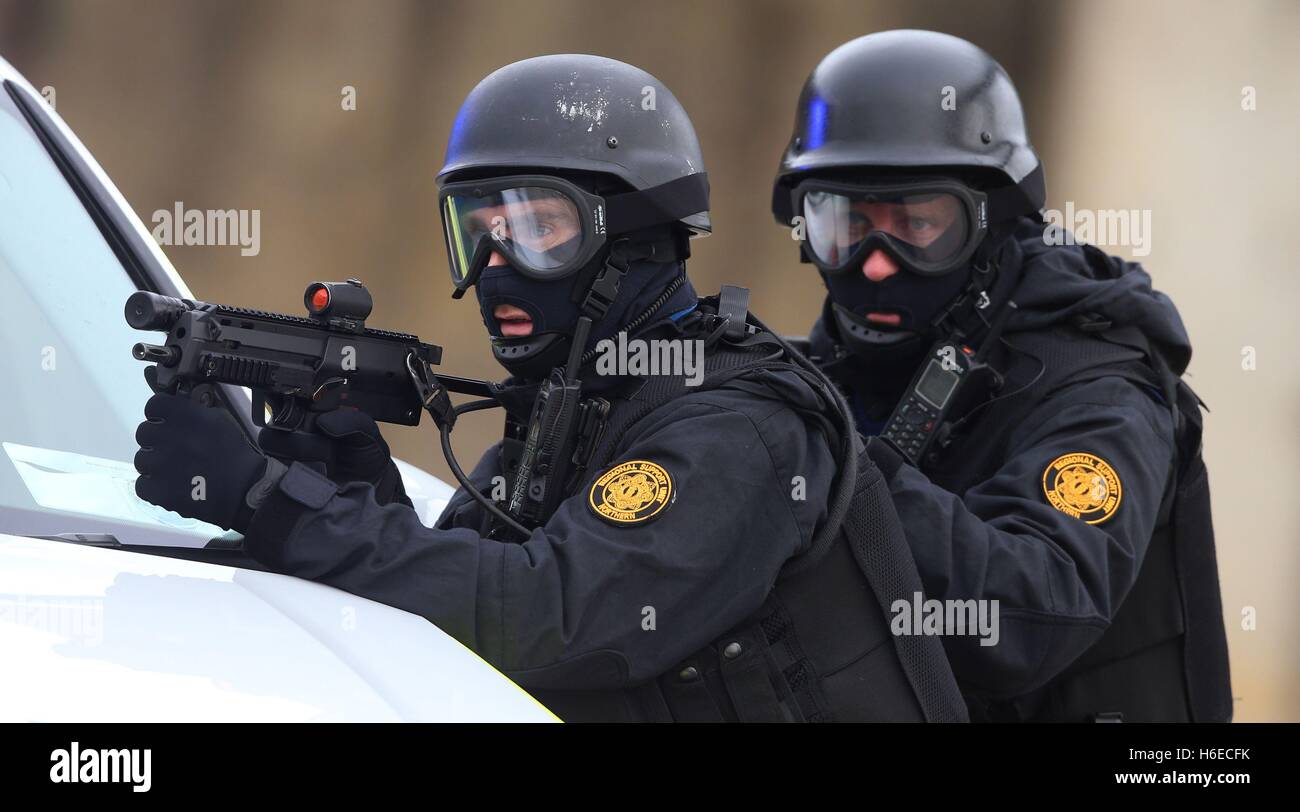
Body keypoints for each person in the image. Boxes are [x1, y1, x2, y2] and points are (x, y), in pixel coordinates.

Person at [134, 54, 966, 722]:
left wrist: (268, 502)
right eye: (478, 230)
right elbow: (458, 606)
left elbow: (546, 618)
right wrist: (355, 481)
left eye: (538, 228)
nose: (497, 270)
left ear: (638, 237)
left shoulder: (737, 428)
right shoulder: (581, 408)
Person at [770, 30, 1231, 722]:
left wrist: (830, 467)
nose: (874, 262)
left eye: (920, 224)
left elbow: (1026, 619)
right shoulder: (812, 383)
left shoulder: (1098, 388)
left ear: (996, 220)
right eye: (844, 222)